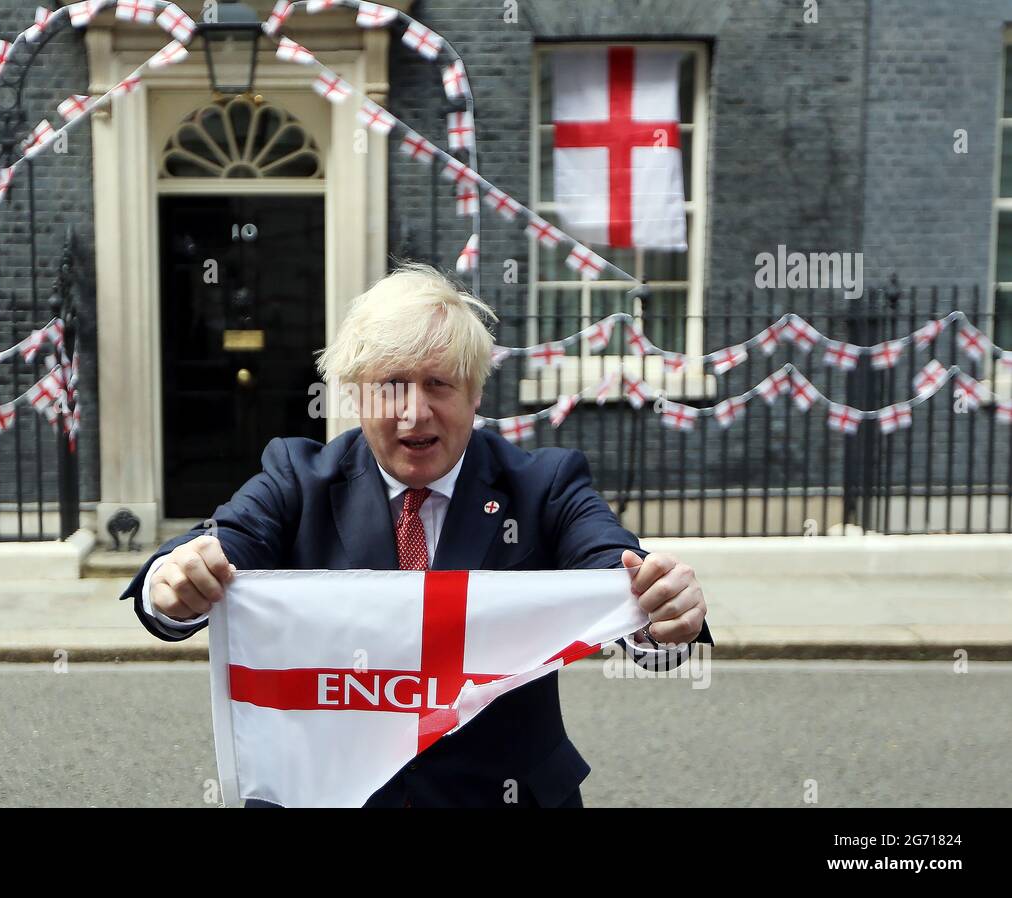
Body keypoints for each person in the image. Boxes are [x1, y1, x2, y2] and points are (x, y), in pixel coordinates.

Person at [120, 261, 710, 807]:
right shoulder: (297, 478)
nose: (414, 412)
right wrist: (176, 581)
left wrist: (658, 607)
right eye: (391, 385)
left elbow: (611, 564)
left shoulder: (544, 484)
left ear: (476, 392)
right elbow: (220, 542)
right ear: (354, 394)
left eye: (438, 384)